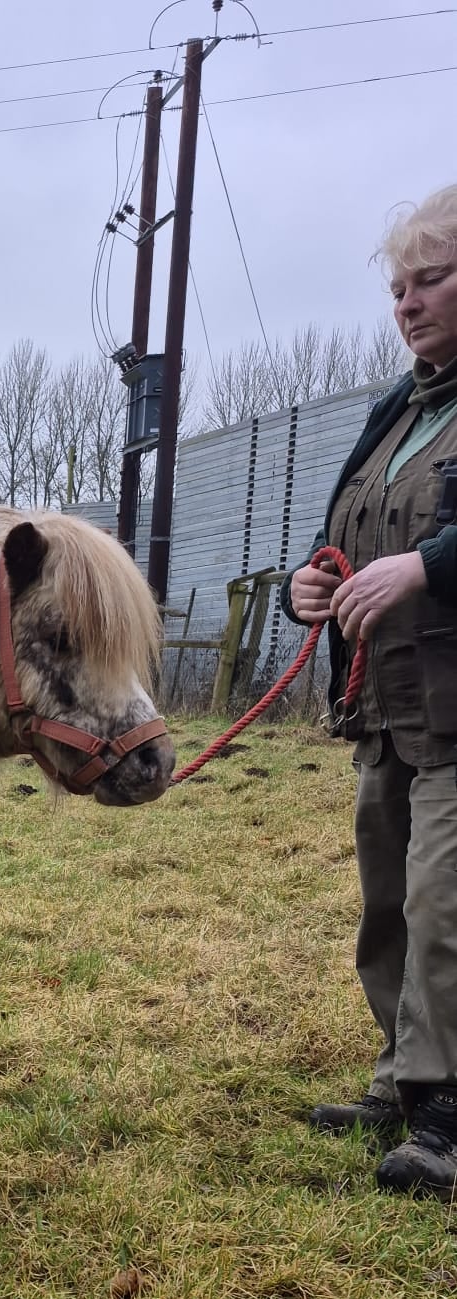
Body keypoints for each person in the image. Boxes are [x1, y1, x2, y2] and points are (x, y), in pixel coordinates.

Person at [284, 184, 457, 1194]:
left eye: (430, 278)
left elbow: (426, 550)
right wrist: (318, 576)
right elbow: (347, 529)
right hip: (387, 706)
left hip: (455, 709)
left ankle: (448, 1108)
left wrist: (432, 565)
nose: (408, 302)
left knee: (446, 902)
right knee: (388, 895)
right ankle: (403, 1075)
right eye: (398, 286)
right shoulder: (400, 405)